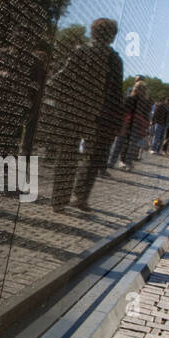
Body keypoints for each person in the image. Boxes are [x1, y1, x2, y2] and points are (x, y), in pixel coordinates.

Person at [49, 18, 124, 211]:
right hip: (97, 115)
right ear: (112, 36)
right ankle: (80, 196)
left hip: (72, 110)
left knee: (67, 152)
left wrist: (54, 95)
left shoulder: (81, 50)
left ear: (93, 32)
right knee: (92, 156)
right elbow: (116, 93)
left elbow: (62, 76)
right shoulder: (114, 59)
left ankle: (59, 198)